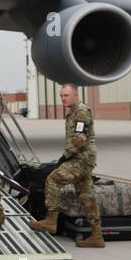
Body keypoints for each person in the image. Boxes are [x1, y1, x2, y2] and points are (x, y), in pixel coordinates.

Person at [29, 84, 103, 248]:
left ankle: (51, 221)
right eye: (61, 95)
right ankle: (97, 236)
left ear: (76, 95)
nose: (63, 98)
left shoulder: (80, 112)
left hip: (81, 159)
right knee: (86, 196)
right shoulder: (74, 112)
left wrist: (65, 156)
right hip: (81, 158)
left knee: (53, 180)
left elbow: (79, 138)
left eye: (66, 95)